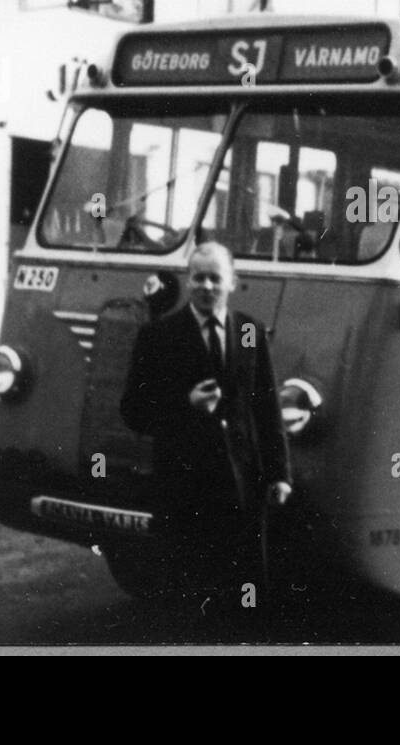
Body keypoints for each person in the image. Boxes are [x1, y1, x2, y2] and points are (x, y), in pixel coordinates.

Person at [120, 241, 292, 605]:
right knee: (188, 593)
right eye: (198, 278)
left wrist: (279, 473)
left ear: (233, 281)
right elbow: (133, 410)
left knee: (243, 589)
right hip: (184, 489)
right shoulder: (158, 336)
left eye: (215, 278)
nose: (206, 287)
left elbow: (267, 408)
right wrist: (186, 404)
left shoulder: (249, 331)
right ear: (187, 280)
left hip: (243, 486)